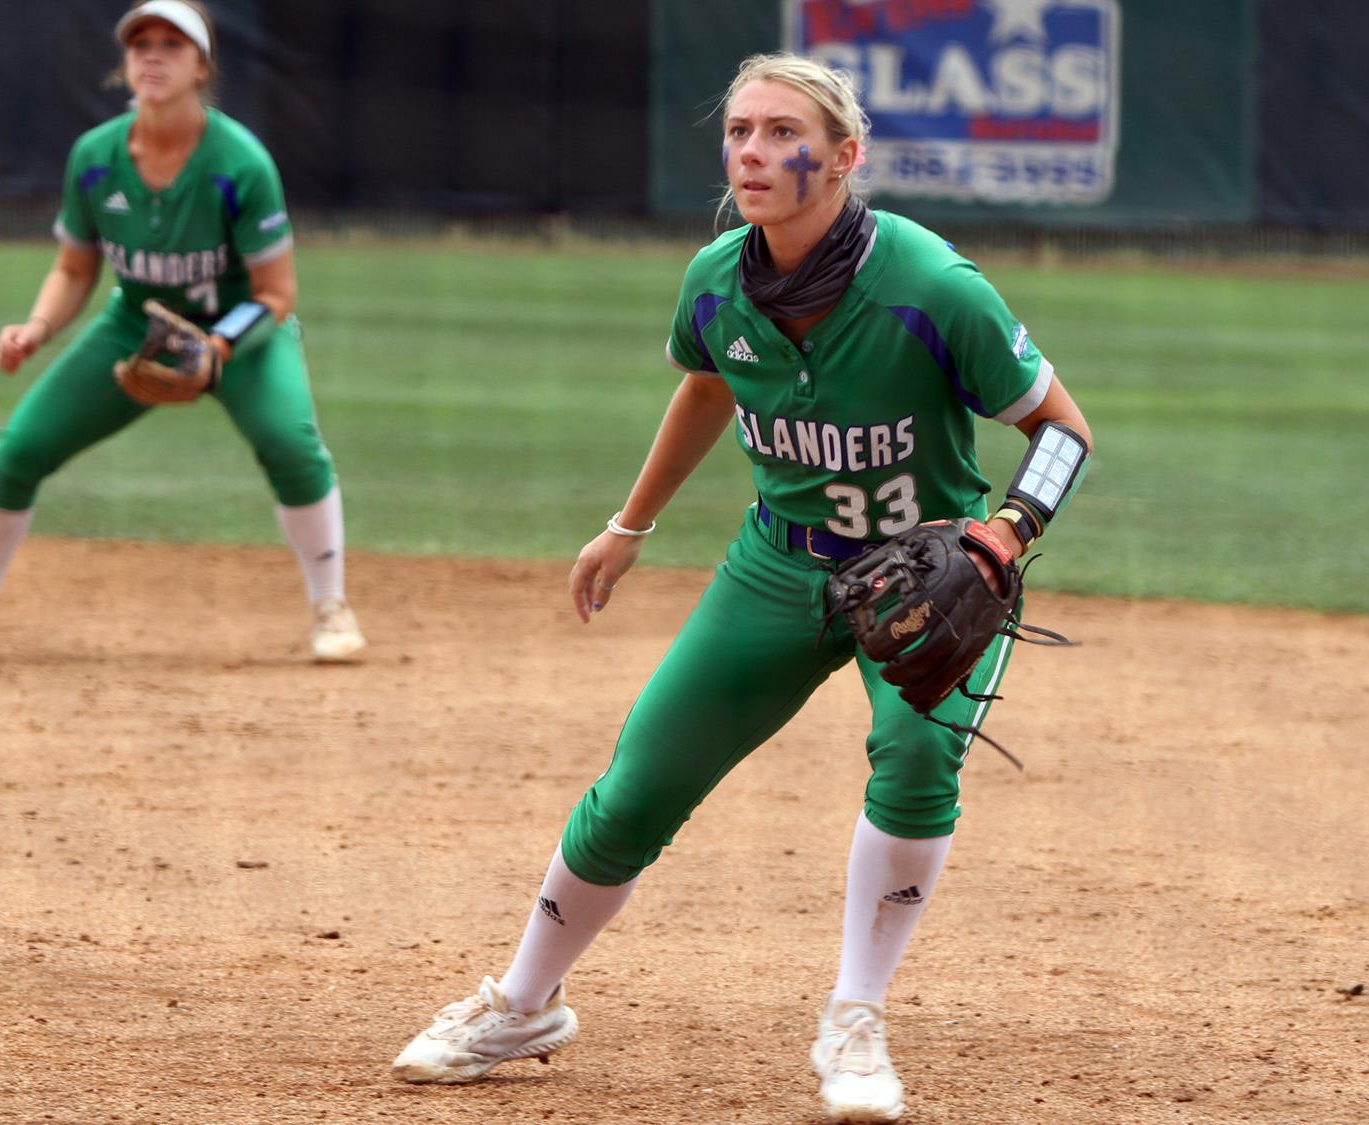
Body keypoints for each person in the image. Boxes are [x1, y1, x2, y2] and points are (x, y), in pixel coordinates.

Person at [390, 53, 1093, 1123]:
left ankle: (854, 1021)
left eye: (780, 132)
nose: (753, 152)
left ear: (845, 156)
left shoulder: (930, 285)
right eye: (738, 132)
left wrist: (1008, 531)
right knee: (638, 782)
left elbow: (1062, 430)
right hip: (775, 565)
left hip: (927, 572)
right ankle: (523, 1002)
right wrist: (629, 525)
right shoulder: (716, 276)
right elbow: (708, 382)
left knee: (913, 760)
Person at [0, 0, 363, 664]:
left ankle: (333, 608)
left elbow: (277, 292)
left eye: (172, 45)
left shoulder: (240, 163)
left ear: (201, 66)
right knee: (18, 449)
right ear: (123, 62)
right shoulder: (95, 158)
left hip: (244, 328)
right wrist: (36, 326)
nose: (152, 55)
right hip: (138, 324)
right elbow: (74, 267)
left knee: (290, 443)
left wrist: (219, 346)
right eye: (140, 43)